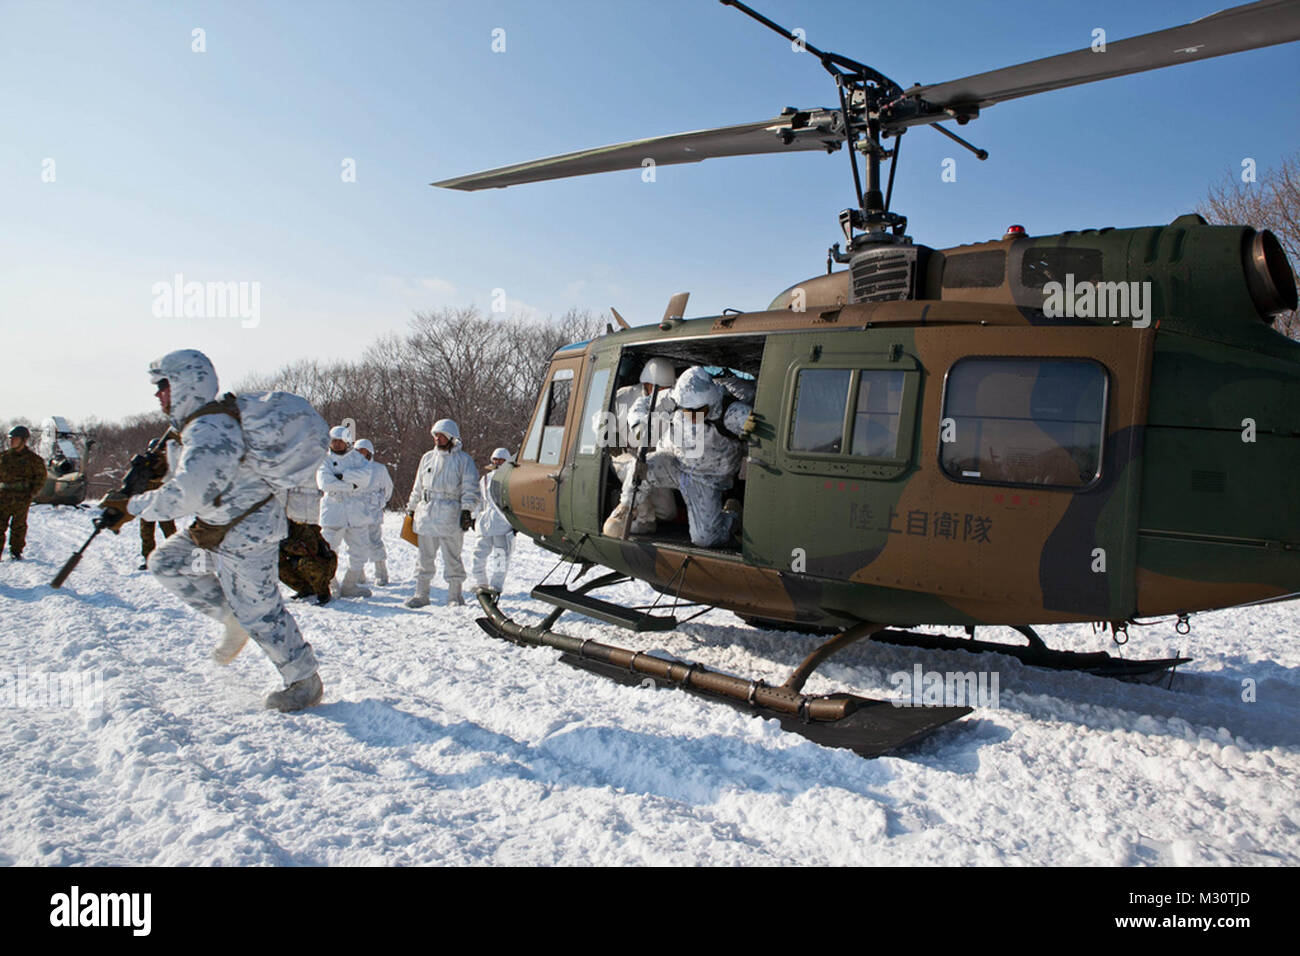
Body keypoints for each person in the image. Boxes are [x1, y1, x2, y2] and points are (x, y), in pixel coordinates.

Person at [115, 349, 322, 711]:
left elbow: (190, 491)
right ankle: (230, 616)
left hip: (248, 535)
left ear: (184, 384)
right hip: (215, 530)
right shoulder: (195, 427)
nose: (158, 394)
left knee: (260, 611)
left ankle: (304, 681)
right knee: (166, 562)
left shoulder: (212, 428)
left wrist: (130, 508)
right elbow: (196, 477)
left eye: (163, 385)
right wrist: (154, 473)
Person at [602, 366, 752, 547]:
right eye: (686, 410)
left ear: (710, 403)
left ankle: (732, 516)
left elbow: (763, 439)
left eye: (698, 411)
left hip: (706, 478)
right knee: (642, 465)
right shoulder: (674, 398)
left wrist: (751, 432)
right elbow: (642, 404)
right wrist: (639, 423)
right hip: (674, 462)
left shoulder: (733, 414)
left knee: (705, 539)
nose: (692, 416)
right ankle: (626, 508)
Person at [405, 418, 478, 607]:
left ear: (452, 437)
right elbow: (418, 486)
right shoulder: (427, 458)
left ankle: (455, 596)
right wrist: (411, 509)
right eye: (435, 435)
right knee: (424, 557)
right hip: (427, 514)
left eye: (442, 435)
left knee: (452, 557)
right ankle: (421, 594)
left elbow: (470, 488)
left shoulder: (463, 460)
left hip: (450, 515)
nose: (437, 438)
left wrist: (467, 510)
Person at [606, 358, 677, 524]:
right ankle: (633, 513)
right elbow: (598, 419)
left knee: (668, 512)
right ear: (647, 383)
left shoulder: (671, 402)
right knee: (634, 469)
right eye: (661, 388)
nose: (664, 393)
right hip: (624, 454)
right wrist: (610, 437)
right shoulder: (623, 397)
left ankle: (641, 510)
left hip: (652, 456)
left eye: (668, 389)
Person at [316, 426, 373, 598]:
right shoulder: (324, 460)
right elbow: (324, 483)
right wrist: (350, 484)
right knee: (328, 550)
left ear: (347, 441)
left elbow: (365, 478)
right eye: (334, 441)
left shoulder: (357, 458)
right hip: (333, 510)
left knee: (361, 551)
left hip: (356, 511)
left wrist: (341, 476)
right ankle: (331, 583)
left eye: (340, 441)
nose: (337, 444)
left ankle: (350, 584)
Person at [279, 481, 336, 604]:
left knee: (305, 563)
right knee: (277, 562)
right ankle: (305, 589)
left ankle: (323, 592)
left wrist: (286, 545)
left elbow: (311, 550)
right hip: (298, 515)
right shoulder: (284, 529)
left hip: (321, 563)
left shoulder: (304, 529)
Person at [470, 447, 515, 594]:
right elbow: (480, 500)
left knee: (500, 558)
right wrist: (474, 516)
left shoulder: (511, 480)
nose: (497, 462)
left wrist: (516, 523)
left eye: (501, 460)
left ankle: (496, 586)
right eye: (495, 459)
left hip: (503, 524)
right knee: (478, 555)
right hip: (485, 523)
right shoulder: (485, 479)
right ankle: (480, 582)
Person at [0, 425, 48, 561]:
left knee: (19, 526)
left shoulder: (34, 460)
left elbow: (40, 478)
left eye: (14, 439)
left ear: (23, 440)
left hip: (21, 498)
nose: (11, 441)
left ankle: (16, 552)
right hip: (3, 496)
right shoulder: (3, 458)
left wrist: (31, 493)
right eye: (10, 439)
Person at [353, 438, 392, 586]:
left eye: (363, 451)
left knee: (375, 542)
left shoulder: (379, 469)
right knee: (357, 544)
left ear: (369, 453)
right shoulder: (351, 469)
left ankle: (381, 573)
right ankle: (358, 574)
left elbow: (388, 488)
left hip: (372, 512)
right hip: (355, 512)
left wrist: (380, 501)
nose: (360, 454)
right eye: (357, 451)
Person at [137, 437, 177, 570]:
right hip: (148, 506)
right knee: (146, 534)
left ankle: (175, 558)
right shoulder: (145, 468)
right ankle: (149, 559)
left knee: (170, 533)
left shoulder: (169, 468)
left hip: (164, 506)